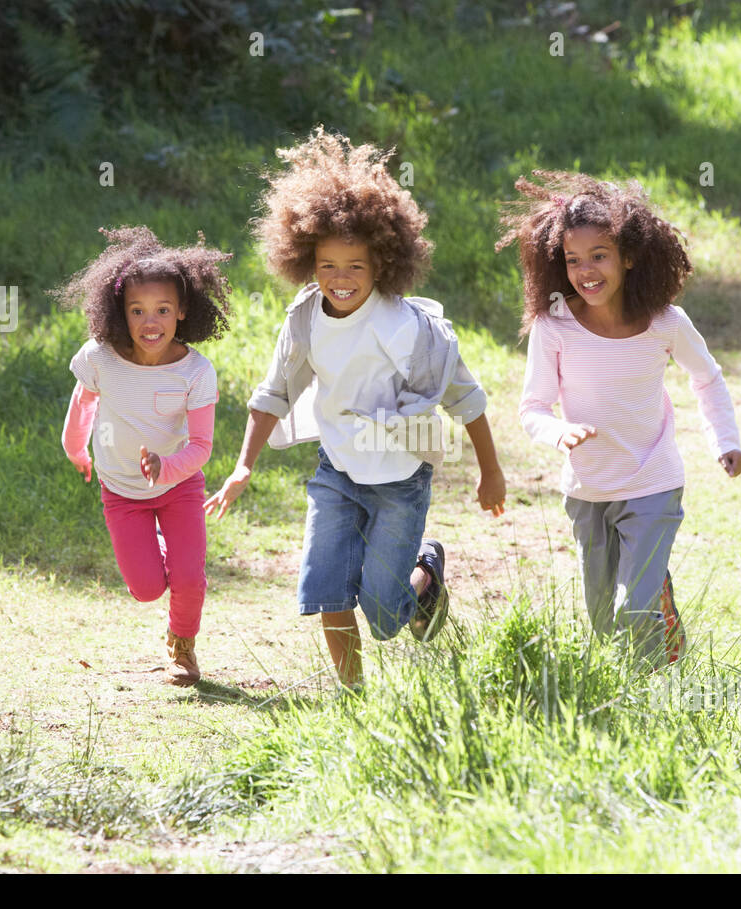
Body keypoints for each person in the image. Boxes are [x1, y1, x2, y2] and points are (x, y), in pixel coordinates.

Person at [205, 127, 506, 688]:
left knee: (387, 617)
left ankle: (427, 573)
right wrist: (244, 465)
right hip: (337, 470)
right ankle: (354, 702)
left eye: (355, 267)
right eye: (326, 266)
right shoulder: (304, 319)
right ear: (304, 261)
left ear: (383, 265)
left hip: (399, 478)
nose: (339, 280)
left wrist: (490, 469)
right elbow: (272, 392)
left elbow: (465, 396)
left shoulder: (411, 331)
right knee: (327, 594)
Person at [498, 171, 741, 667]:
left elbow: (707, 378)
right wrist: (559, 432)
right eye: (573, 260)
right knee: (604, 621)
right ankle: (654, 607)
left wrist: (725, 440)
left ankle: (658, 683)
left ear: (628, 257)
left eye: (599, 256)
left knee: (632, 610)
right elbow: (532, 408)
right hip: (588, 489)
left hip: (653, 481)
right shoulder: (555, 327)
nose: (585, 271)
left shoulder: (666, 324)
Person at [56, 226, 231, 685]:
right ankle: (159, 560)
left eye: (162, 310)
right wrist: (76, 449)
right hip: (121, 490)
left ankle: (182, 645)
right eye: (137, 310)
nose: (150, 322)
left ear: (182, 312)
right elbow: (83, 406)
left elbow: (202, 446)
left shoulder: (196, 372)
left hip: (179, 487)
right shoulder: (101, 358)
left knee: (190, 579)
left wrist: (165, 467)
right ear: (119, 312)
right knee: (147, 589)